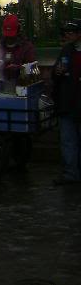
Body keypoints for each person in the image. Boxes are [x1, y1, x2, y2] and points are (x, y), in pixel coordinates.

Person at [0, 14, 37, 168]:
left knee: (20, 129)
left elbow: (34, 70)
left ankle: (20, 160)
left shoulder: (26, 47)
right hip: (2, 90)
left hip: (20, 91)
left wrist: (21, 69)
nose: (9, 39)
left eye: (12, 35)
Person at [51, 20, 81, 185]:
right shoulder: (66, 50)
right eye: (66, 32)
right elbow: (56, 74)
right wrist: (57, 72)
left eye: (71, 32)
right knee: (68, 140)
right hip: (67, 102)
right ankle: (70, 173)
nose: (68, 35)